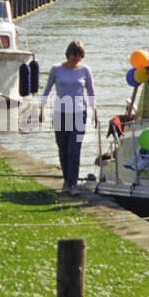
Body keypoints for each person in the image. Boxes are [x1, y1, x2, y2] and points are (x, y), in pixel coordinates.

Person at [39, 41, 97, 195]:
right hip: (61, 113)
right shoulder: (56, 69)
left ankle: (73, 184)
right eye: (74, 55)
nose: (76, 59)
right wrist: (42, 110)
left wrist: (95, 112)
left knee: (74, 149)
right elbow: (47, 90)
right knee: (63, 148)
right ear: (68, 54)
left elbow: (91, 92)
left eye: (80, 56)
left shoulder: (85, 70)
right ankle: (66, 180)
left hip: (79, 114)